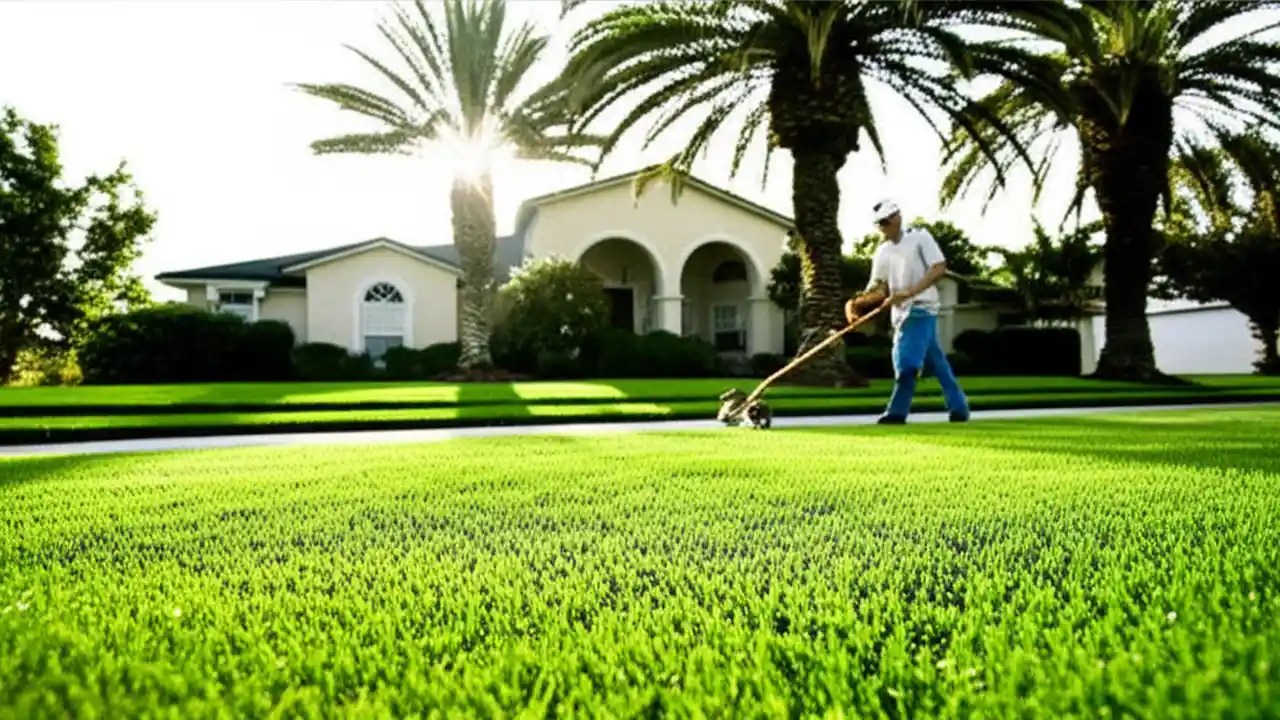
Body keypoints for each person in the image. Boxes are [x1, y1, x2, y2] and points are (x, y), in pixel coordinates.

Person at [844, 199, 969, 424]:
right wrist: (856, 303)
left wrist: (910, 292)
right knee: (938, 364)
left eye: (885, 221)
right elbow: (879, 287)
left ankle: (897, 412)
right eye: (879, 224)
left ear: (897, 217)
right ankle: (959, 407)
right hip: (900, 314)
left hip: (921, 308)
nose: (883, 227)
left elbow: (938, 267)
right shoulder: (882, 251)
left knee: (907, 364)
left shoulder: (920, 238)